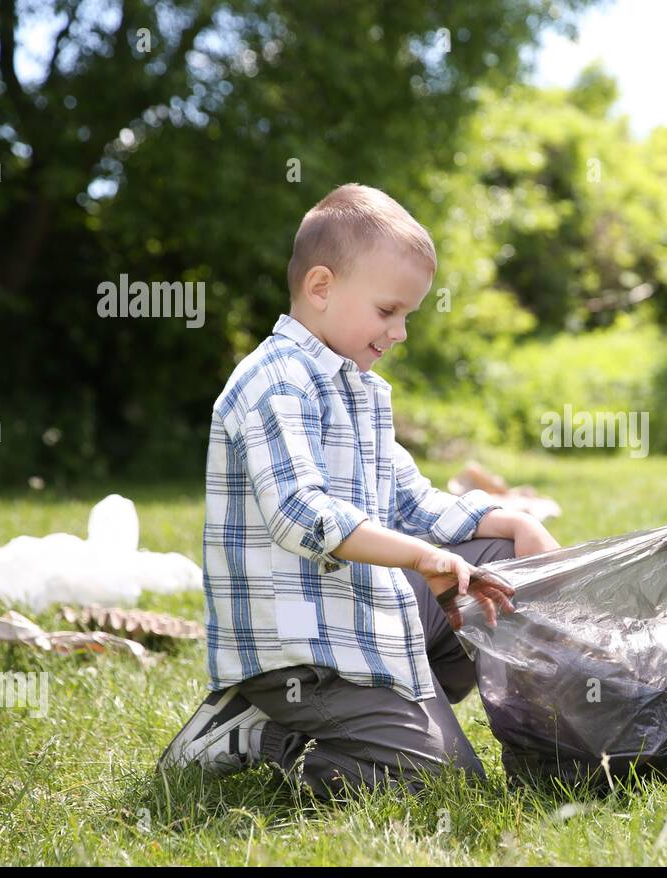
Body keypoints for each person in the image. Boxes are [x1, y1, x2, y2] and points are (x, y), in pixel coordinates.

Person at [158, 183, 560, 798]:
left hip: (365, 621)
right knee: (446, 785)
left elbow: (410, 502)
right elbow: (300, 513)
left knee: (498, 570)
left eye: (408, 316)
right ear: (321, 288)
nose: (399, 332)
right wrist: (422, 556)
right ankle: (264, 738)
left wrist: (510, 522)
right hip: (304, 652)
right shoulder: (274, 381)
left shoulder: (362, 387)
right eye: (387, 311)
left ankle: (384, 722)